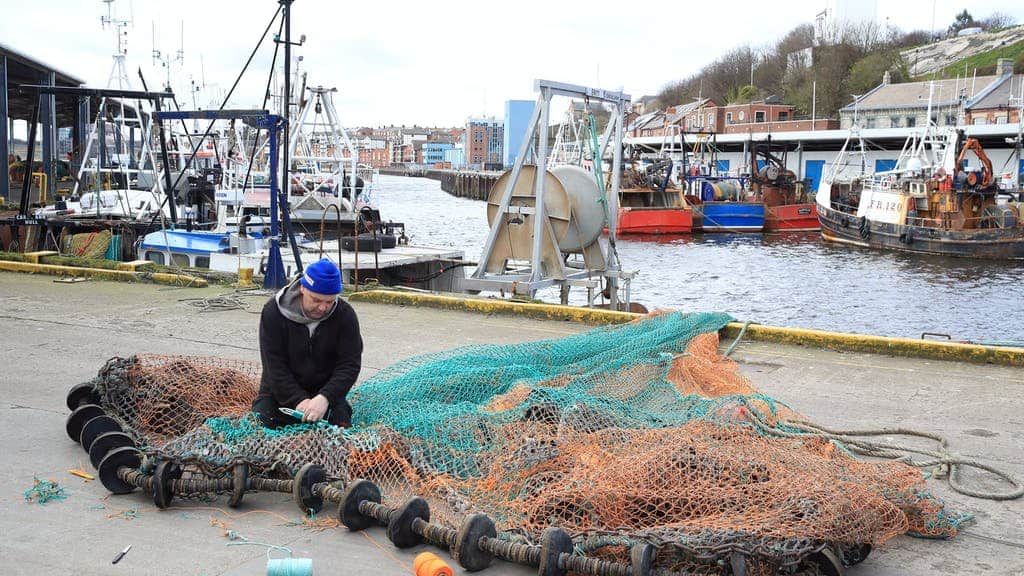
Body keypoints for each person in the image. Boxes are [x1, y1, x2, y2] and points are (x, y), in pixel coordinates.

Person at [253, 258, 362, 428]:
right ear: (303, 288)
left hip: (324, 395)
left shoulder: (345, 315)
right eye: (316, 300)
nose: (322, 308)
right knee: (261, 422)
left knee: (340, 425)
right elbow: (273, 365)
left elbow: (349, 365)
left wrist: (324, 398)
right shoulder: (273, 312)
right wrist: (298, 400)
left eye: (329, 301)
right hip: (279, 393)